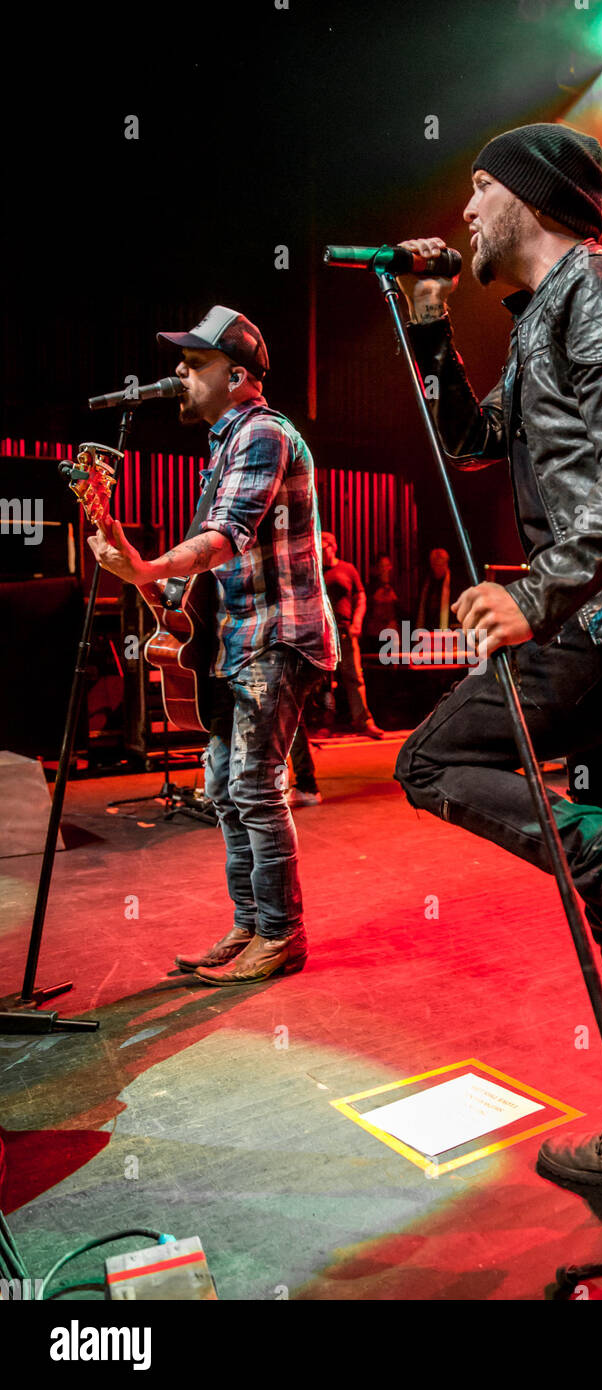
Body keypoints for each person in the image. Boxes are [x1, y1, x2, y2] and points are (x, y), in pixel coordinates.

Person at [393, 125, 602, 1203]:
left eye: (477, 191)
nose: (463, 215)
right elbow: (470, 440)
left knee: (433, 761)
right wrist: (426, 329)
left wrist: (534, 595)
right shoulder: (547, 313)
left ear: (528, 199)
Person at [89, 305, 338, 985]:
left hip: (277, 638)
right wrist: (134, 566)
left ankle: (283, 934)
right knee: (225, 791)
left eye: (191, 363)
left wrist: (147, 567)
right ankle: (252, 924)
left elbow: (226, 536)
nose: (177, 373)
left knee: (254, 790)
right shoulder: (225, 446)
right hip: (237, 640)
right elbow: (197, 584)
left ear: (236, 375)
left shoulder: (263, 434)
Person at [321, 531, 385, 738]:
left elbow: (361, 596)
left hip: (345, 630)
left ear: (333, 546)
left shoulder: (347, 569)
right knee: (324, 681)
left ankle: (363, 720)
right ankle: (325, 722)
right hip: (322, 632)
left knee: (354, 677)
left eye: (324, 547)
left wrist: (357, 621)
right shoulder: (314, 569)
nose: (322, 551)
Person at [416, 548, 457, 631]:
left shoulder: (455, 585)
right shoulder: (426, 583)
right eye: (436, 564)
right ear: (432, 564)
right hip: (428, 631)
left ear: (446, 564)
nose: (439, 567)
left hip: (449, 631)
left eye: (442, 564)